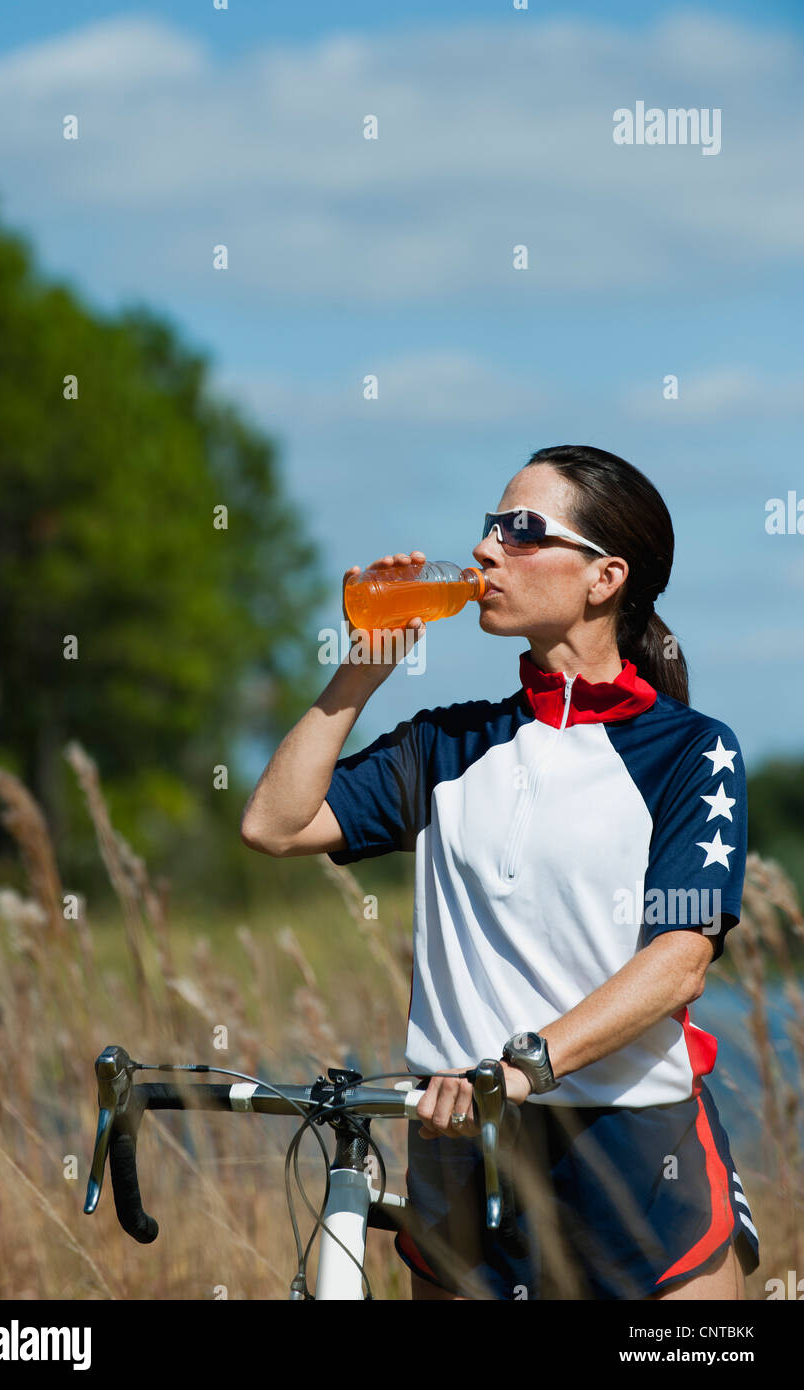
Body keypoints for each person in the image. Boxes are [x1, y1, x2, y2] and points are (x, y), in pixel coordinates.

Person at [240, 443, 759, 1301]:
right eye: (489, 529)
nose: (486, 550)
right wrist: (367, 664)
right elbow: (274, 823)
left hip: (637, 1157)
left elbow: (680, 961)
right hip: (461, 1156)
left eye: (521, 532)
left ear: (605, 578)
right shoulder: (447, 743)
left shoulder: (691, 752)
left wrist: (523, 1067)